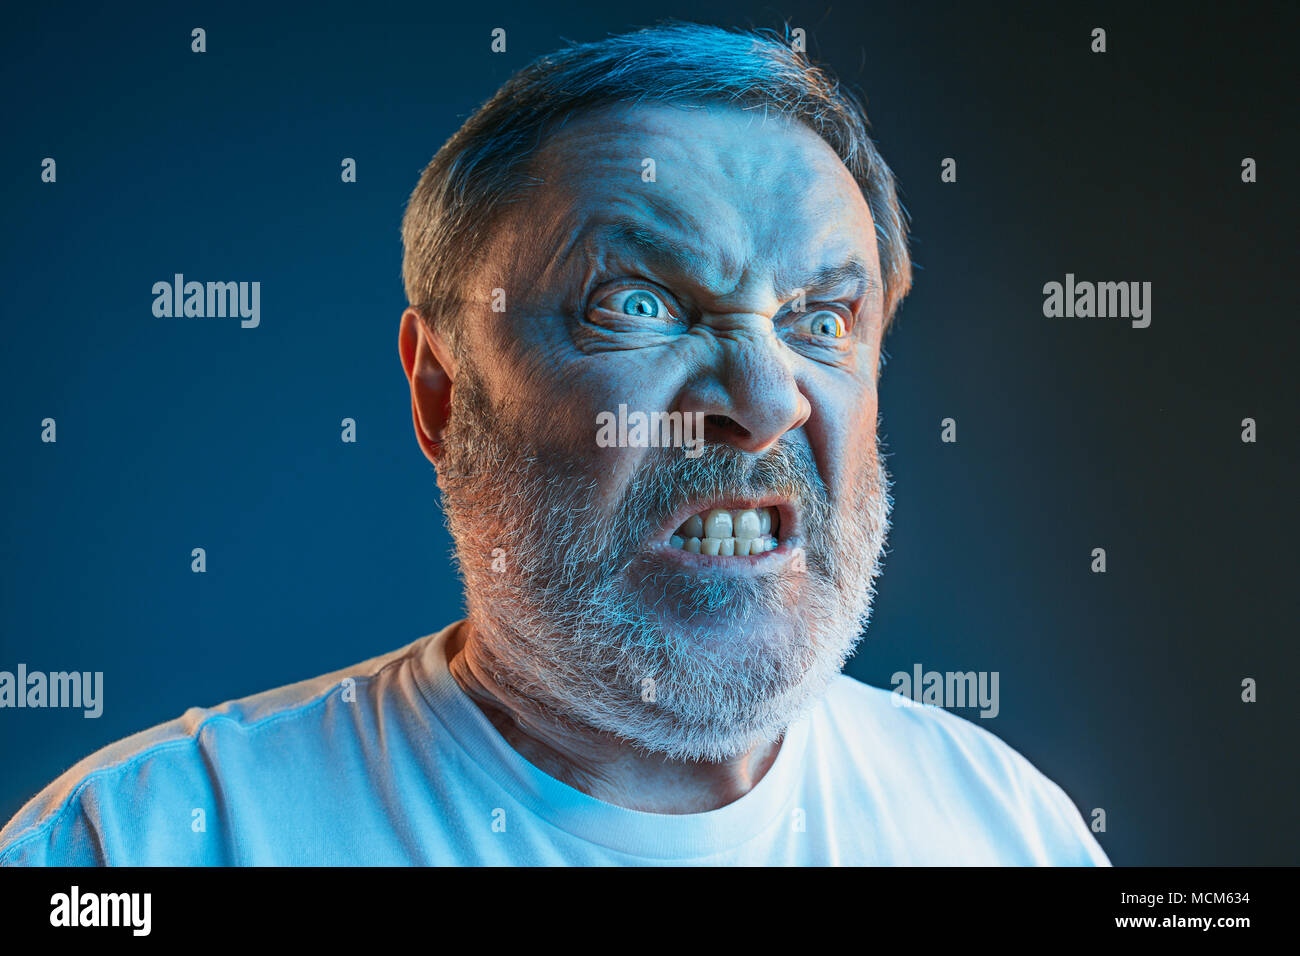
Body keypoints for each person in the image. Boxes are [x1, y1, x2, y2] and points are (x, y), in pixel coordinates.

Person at [0, 22, 1108, 866]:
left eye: (821, 320)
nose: (765, 400)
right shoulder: (144, 844)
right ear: (442, 392)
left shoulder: (1009, 829)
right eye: (635, 305)